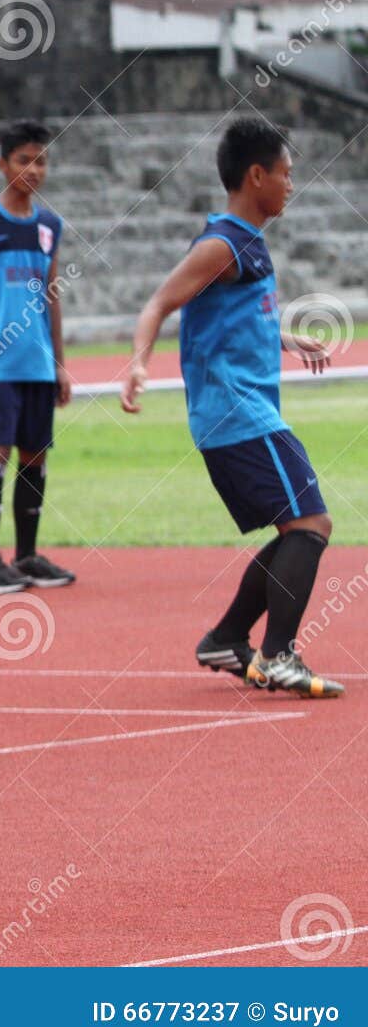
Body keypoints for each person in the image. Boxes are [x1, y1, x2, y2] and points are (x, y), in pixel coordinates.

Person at [121, 118, 342, 698]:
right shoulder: (220, 244)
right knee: (311, 522)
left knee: (298, 526)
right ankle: (276, 655)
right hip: (237, 416)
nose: (292, 186)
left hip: (242, 414)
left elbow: (235, 322)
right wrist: (140, 364)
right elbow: (158, 304)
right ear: (256, 175)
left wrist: (287, 339)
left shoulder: (247, 242)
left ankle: (226, 637)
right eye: (286, 175)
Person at [0, 120, 75, 595]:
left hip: (37, 363)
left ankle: (25, 556)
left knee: (35, 459)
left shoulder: (49, 227)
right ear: (3, 164)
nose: (34, 169)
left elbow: (51, 296)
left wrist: (60, 363)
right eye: (24, 159)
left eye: (41, 159)